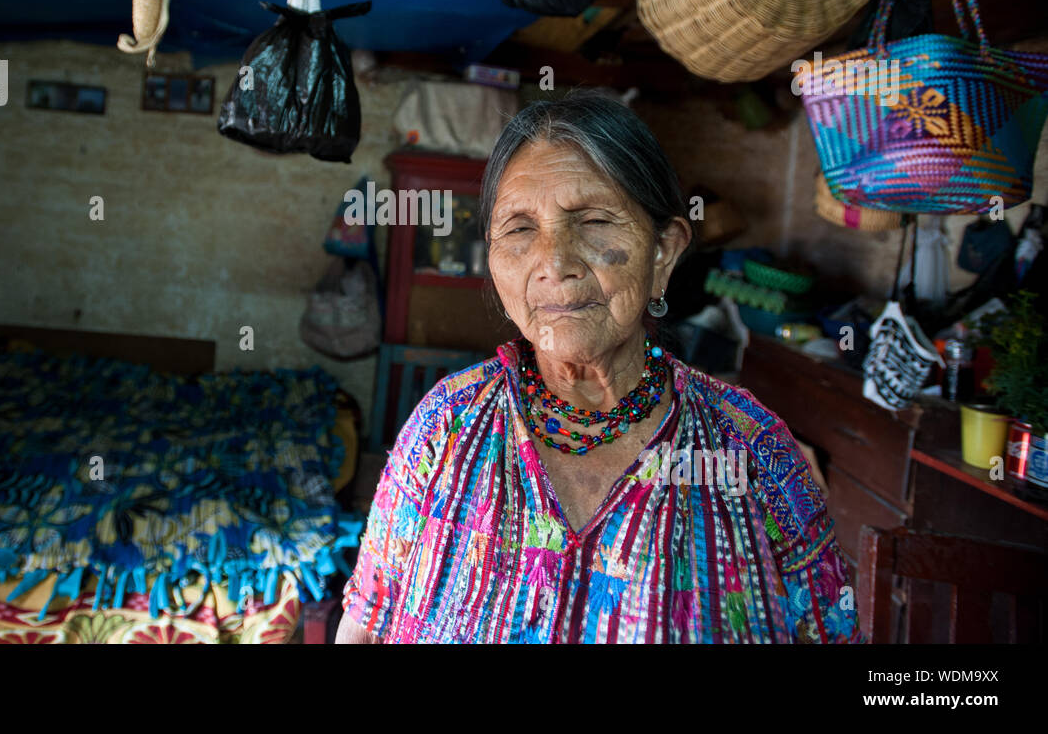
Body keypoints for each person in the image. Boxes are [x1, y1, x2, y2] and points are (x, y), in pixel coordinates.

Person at [336, 88, 860, 643]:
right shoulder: (445, 427)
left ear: (664, 252)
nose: (554, 264)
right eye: (518, 228)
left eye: (592, 221)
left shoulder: (753, 453)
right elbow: (365, 623)